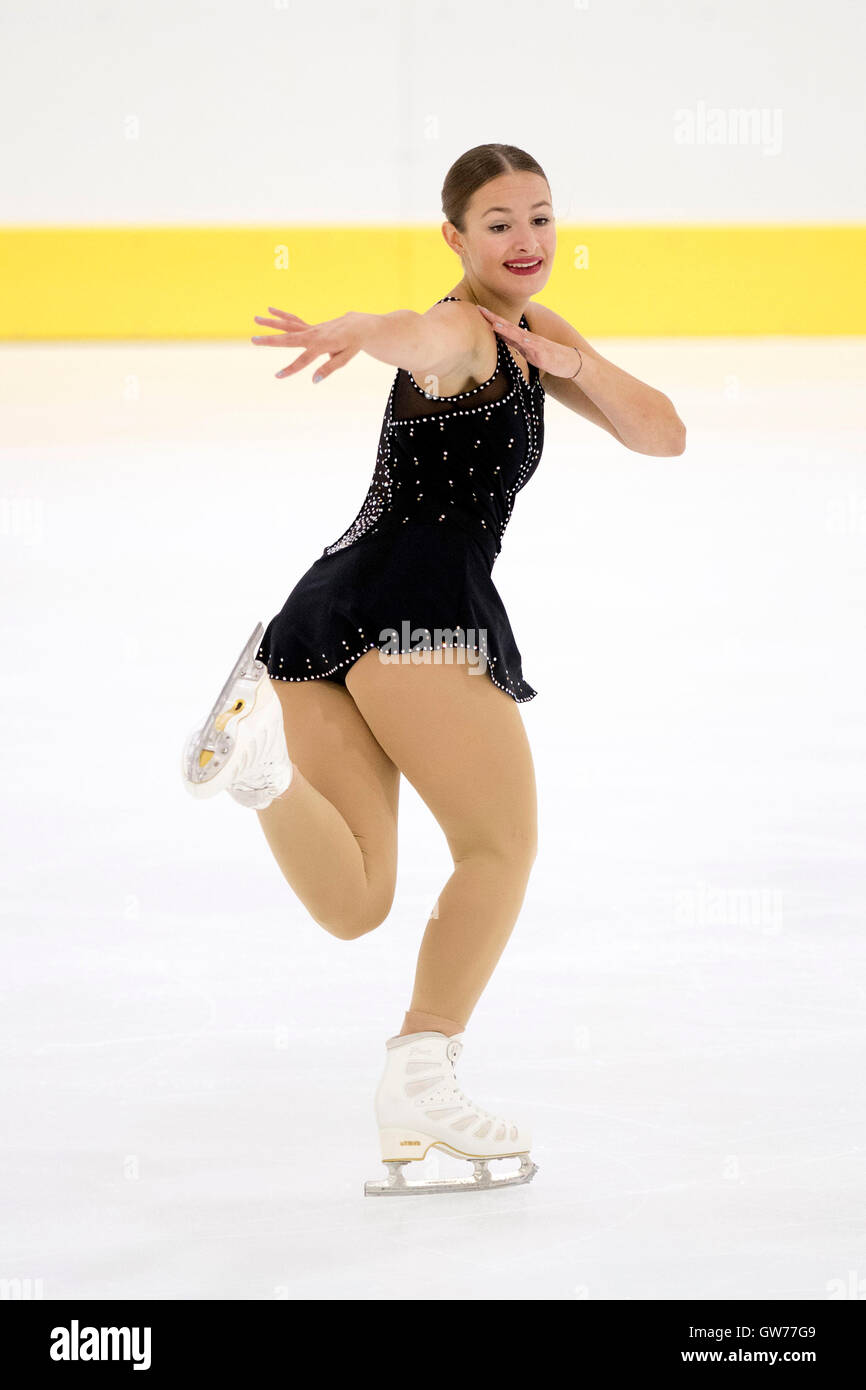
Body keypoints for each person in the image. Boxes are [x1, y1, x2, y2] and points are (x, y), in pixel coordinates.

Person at [181, 143, 686, 1194]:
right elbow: (413, 335)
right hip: (412, 618)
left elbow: (663, 436)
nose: (526, 241)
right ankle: (424, 1062)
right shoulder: (458, 328)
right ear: (453, 239)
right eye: (497, 223)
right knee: (498, 847)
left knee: (357, 899)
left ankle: (259, 765)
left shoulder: (536, 333)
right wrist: (360, 332)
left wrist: (573, 364)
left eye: (540, 218)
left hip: (317, 616)